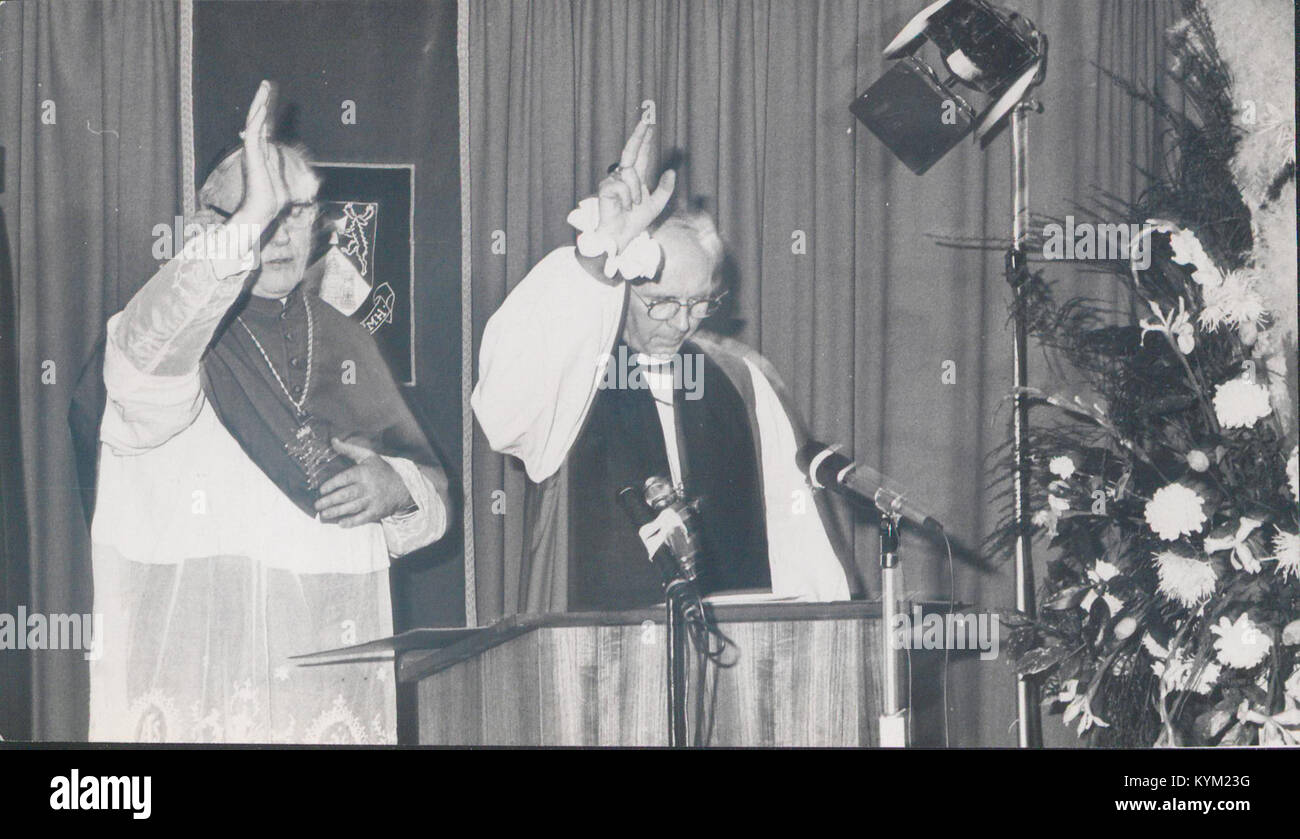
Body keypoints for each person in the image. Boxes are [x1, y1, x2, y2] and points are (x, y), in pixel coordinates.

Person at [88, 82, 451, 743]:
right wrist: (238, 231)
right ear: (207, 228)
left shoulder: (346, 337)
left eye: (297, 211)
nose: (282, 235)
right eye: (262, 214)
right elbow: (135, 376)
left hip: (321, 674)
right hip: (194, 676)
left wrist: (396, 486)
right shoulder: (170, 327)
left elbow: (431, 500)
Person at [472, 119, 853, 612]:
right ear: (623, 286)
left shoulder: (741, 381)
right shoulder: (574, 368)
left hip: (731, 647)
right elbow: (503, 413)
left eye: (701, 303)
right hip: (594, 653)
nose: (682, 324)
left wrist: (818, 625)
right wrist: (597, 257)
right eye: (663, 302)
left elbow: (793, 524)